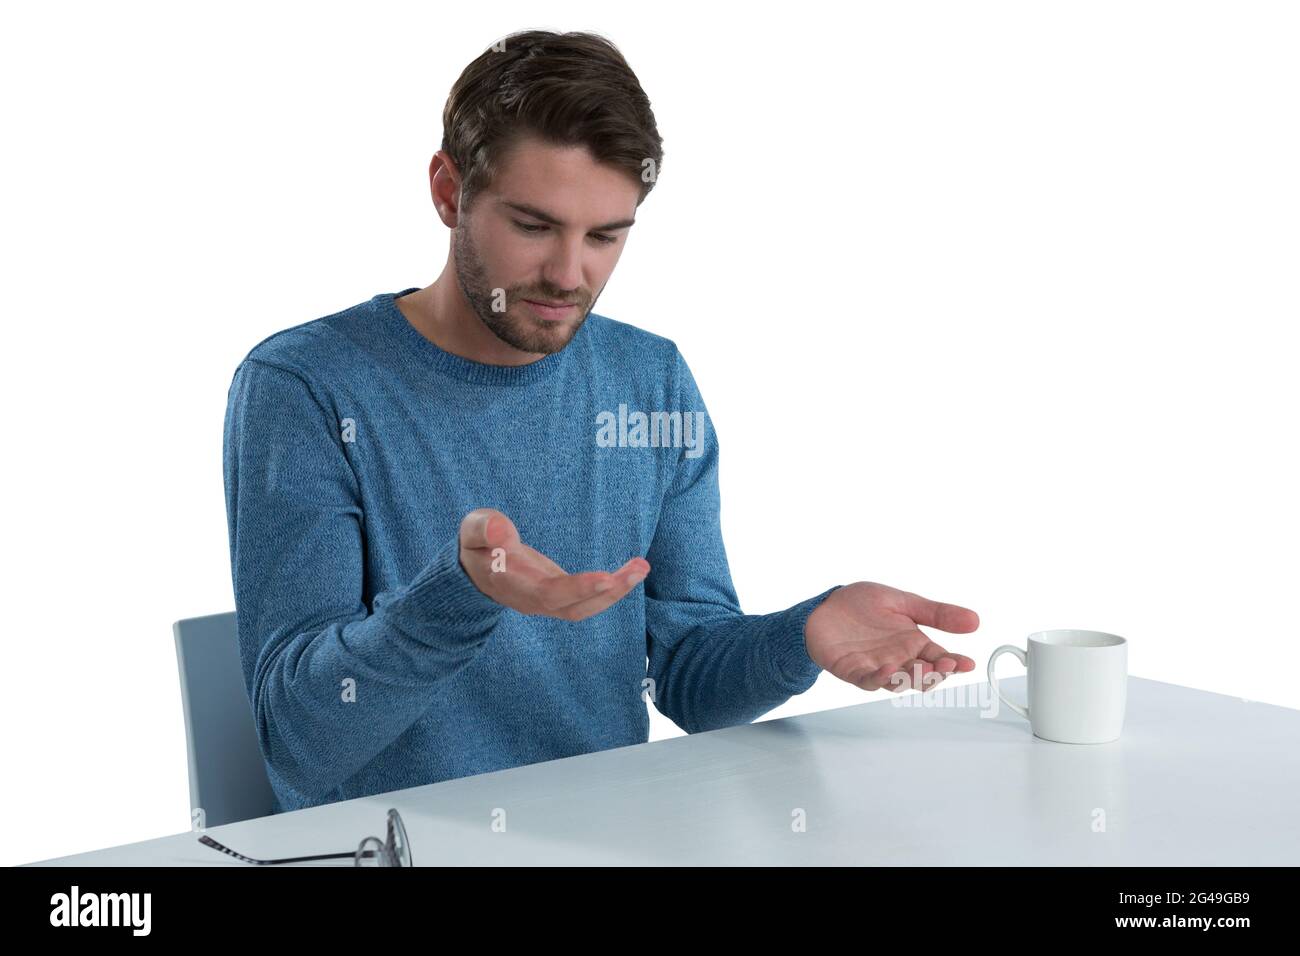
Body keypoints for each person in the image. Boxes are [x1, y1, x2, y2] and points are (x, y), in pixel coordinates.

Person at [223, 29, 980, 814]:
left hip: (608, 836)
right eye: (533, 226)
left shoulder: (649, 382)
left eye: (605, 237)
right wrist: (464, 594)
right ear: (449, 192)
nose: (568, 274)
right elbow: (301, 739)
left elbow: (690, 677)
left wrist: (802, 637)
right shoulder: (306, 387)